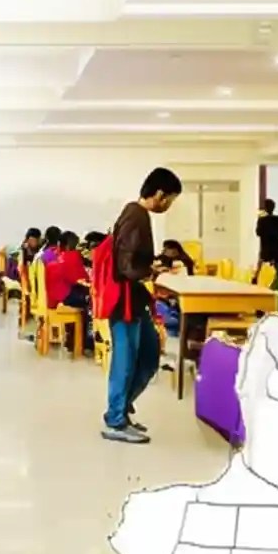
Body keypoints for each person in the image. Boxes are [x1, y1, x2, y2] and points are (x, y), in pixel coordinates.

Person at [101, 168, 182, 444]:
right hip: (124, 303)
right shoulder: (136, 216)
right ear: (159, 194)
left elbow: (130, 259)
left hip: (134, 302)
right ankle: (115, 420)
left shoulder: (135, 214)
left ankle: (121, 409)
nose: (168, 205)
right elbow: (125, 266)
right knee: (125, 363)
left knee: (148, 357)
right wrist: (150, 272)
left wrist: (150, 267)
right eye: (169, 199)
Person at [46, 231, 93, 351]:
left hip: (53, 296)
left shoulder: (57, 256)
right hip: (63, 296)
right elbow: (82, 279)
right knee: (91, 300)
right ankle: (86, 340)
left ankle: (72, 338)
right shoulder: (71, 257)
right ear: (69, 246)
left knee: (84, 297)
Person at [255, 198, 278, 283]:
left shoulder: (262, 221)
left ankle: (257, 280)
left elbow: (258, 233)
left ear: (265, 208)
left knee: (262, 267)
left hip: (267, 247)